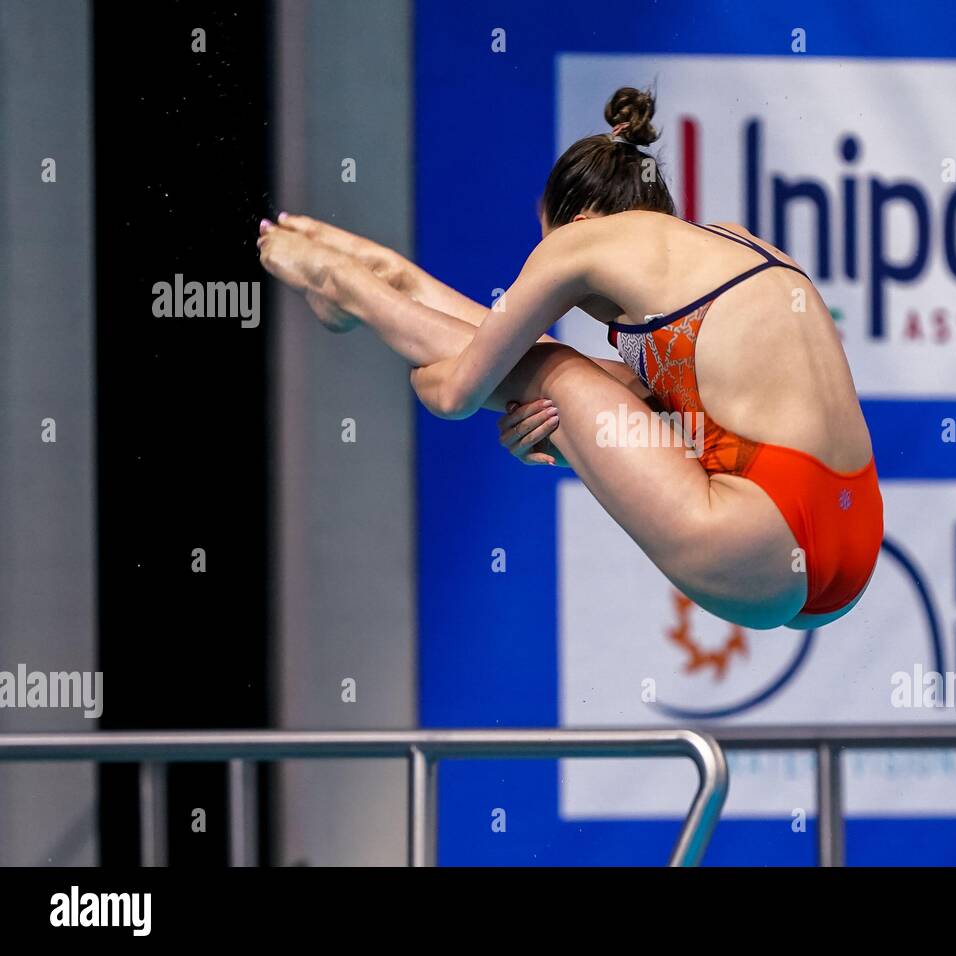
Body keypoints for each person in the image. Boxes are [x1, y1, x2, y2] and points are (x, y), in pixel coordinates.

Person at [258, 86, 882, 630]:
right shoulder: (733, 243)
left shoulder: (579, 244)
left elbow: (453, 394)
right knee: (562, 374)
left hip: (758, 533)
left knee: (550, 374)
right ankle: (391, 274)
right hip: (847, 543)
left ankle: (352, 289)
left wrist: (439, 376)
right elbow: (647, 409)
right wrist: (571, 432)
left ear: (579, 222)